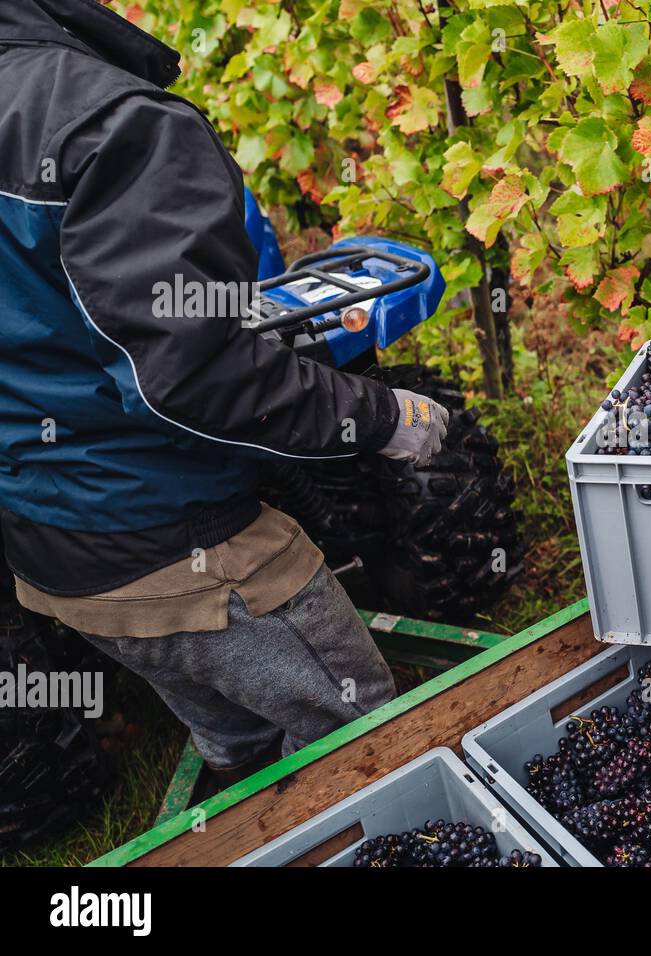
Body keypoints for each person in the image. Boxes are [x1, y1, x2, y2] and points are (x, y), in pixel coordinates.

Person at [0, 0, 449, 782]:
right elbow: (191, 377)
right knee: (362, 738)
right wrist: (382, 416)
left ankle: (246, 791)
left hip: (45, 547)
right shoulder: (111, 122)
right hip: (178, 547)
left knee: (236, 735)